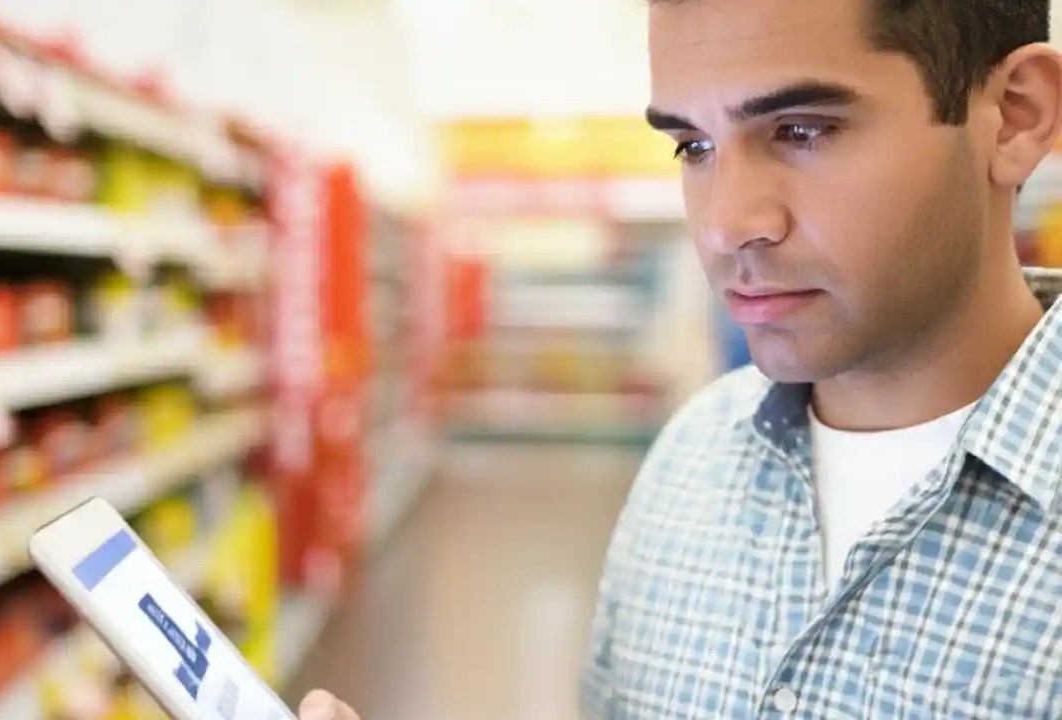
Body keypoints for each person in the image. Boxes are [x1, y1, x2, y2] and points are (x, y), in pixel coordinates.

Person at [299, 0, 1062, 716]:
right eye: (692, 146)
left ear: (1013, 119)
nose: (726, 224)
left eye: (802, 130)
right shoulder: (688, 459)